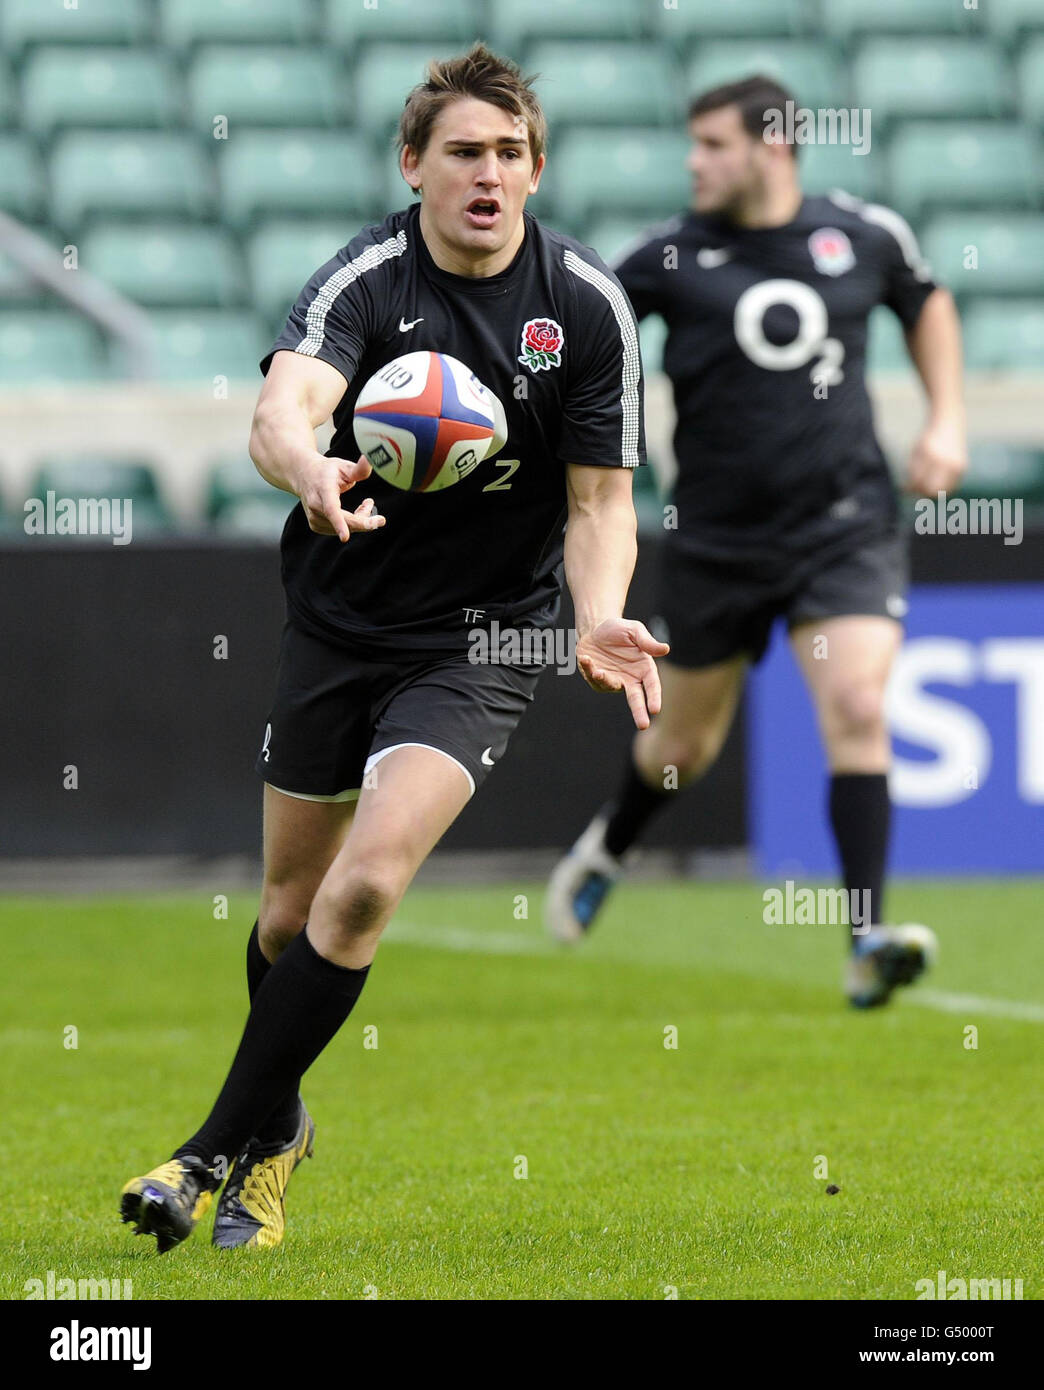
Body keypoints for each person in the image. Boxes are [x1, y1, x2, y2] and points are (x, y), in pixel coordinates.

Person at [119, 42, 668, 1253]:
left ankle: (209, 1154)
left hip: (483, 641)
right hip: (339, 621)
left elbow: (597, 505)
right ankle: (283, 1132)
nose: (489, 174)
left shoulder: (583, 306)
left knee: (364, 886)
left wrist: (594, 614)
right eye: (464, 151)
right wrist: (308, 467)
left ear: (538, 170)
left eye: (511, 154)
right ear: (411, 162)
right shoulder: (367, 277)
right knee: (283, 915)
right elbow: (283, 408)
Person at [546, 76, 966, 1008]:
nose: (694, 162)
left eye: (712, 145)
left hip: (842, 526)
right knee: (682, 747)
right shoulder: (665, 255)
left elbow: (926, 302)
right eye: (692, 144)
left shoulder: (864, 233)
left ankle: (865, 937)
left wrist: (946, 421)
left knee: (858, 703)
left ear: (773, 146)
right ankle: (611, 844)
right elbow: (586, 334)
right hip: (718, 540)